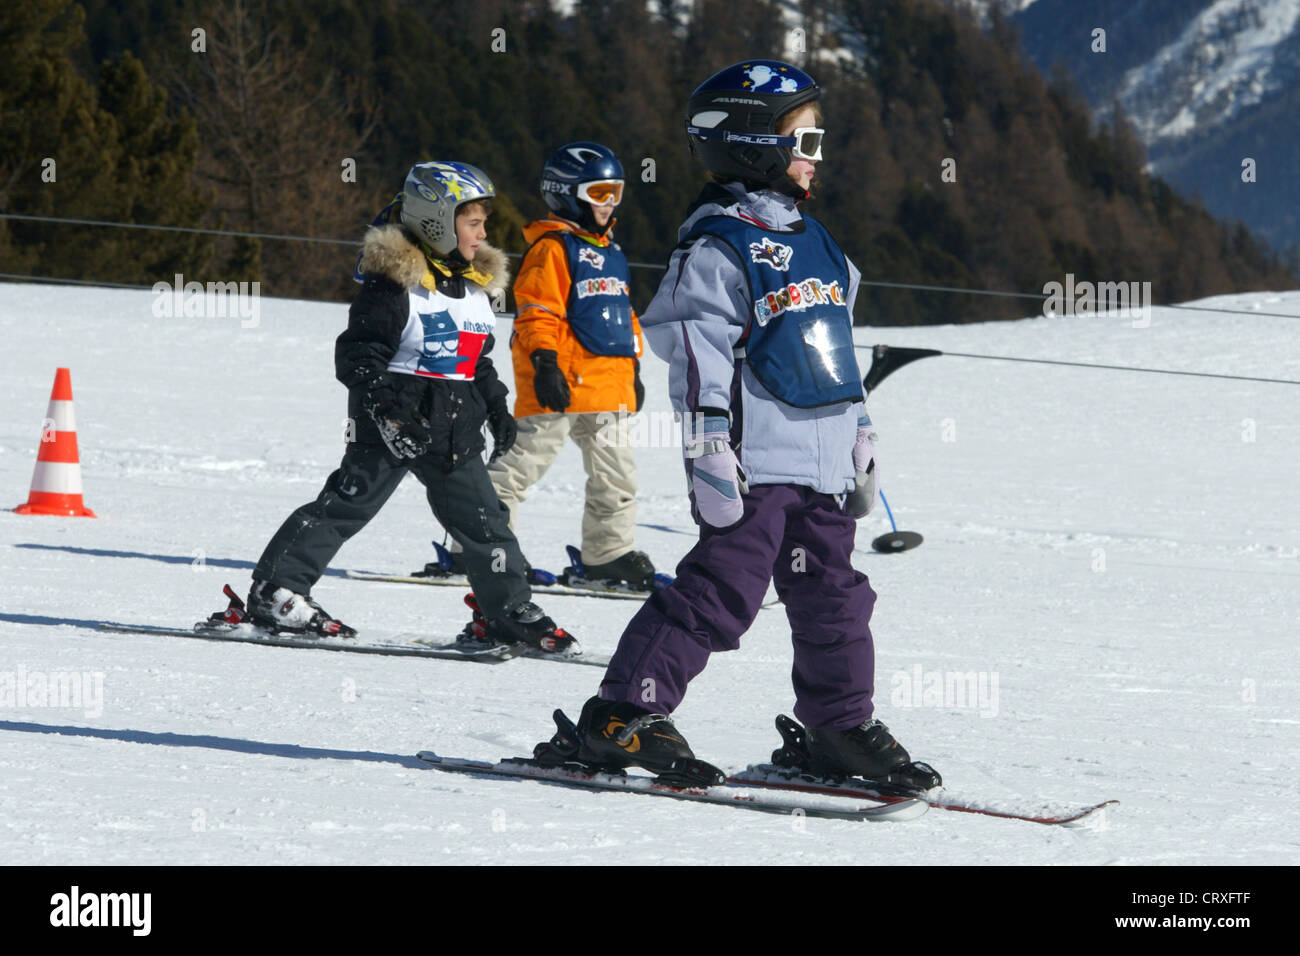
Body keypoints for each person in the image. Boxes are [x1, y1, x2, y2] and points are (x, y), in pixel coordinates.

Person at [561, 61, 939, 787]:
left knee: (837, 601)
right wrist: (708, 448)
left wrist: (861, 437)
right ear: (751, 144)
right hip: (755, 463)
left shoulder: (823, 244)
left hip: (823, 468)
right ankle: (622, 714)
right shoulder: (718, 247)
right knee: (721, 591)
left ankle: (838, 726)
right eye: (805, 140)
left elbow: (834, 351)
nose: (815, 156)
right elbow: (695, 353)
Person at [244, 160, 573, 653]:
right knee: (347, 505)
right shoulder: (394, 286)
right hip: (390, 422)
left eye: (483, 223)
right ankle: (278, 590)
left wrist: (498, 408)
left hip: (454, 431)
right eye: (473, 222)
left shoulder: (475, 288)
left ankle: (506, 611)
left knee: (487, 523)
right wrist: (389, 413)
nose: (483, 234)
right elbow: (358, 356)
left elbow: (476, 361)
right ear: (438, 220)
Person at [429, 142, 660, 591]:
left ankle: (606, 555)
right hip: (559, 381)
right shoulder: (552, 250)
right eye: (600, 192)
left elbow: (622, 313)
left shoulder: (611, 250)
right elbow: (537, 310)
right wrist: (544, 362)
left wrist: (633, 366)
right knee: (518, 468)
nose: (610, 202)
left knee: (618, 476)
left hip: (608, 385)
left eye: (616, 191)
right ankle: (477, 547)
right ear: (568, 194)